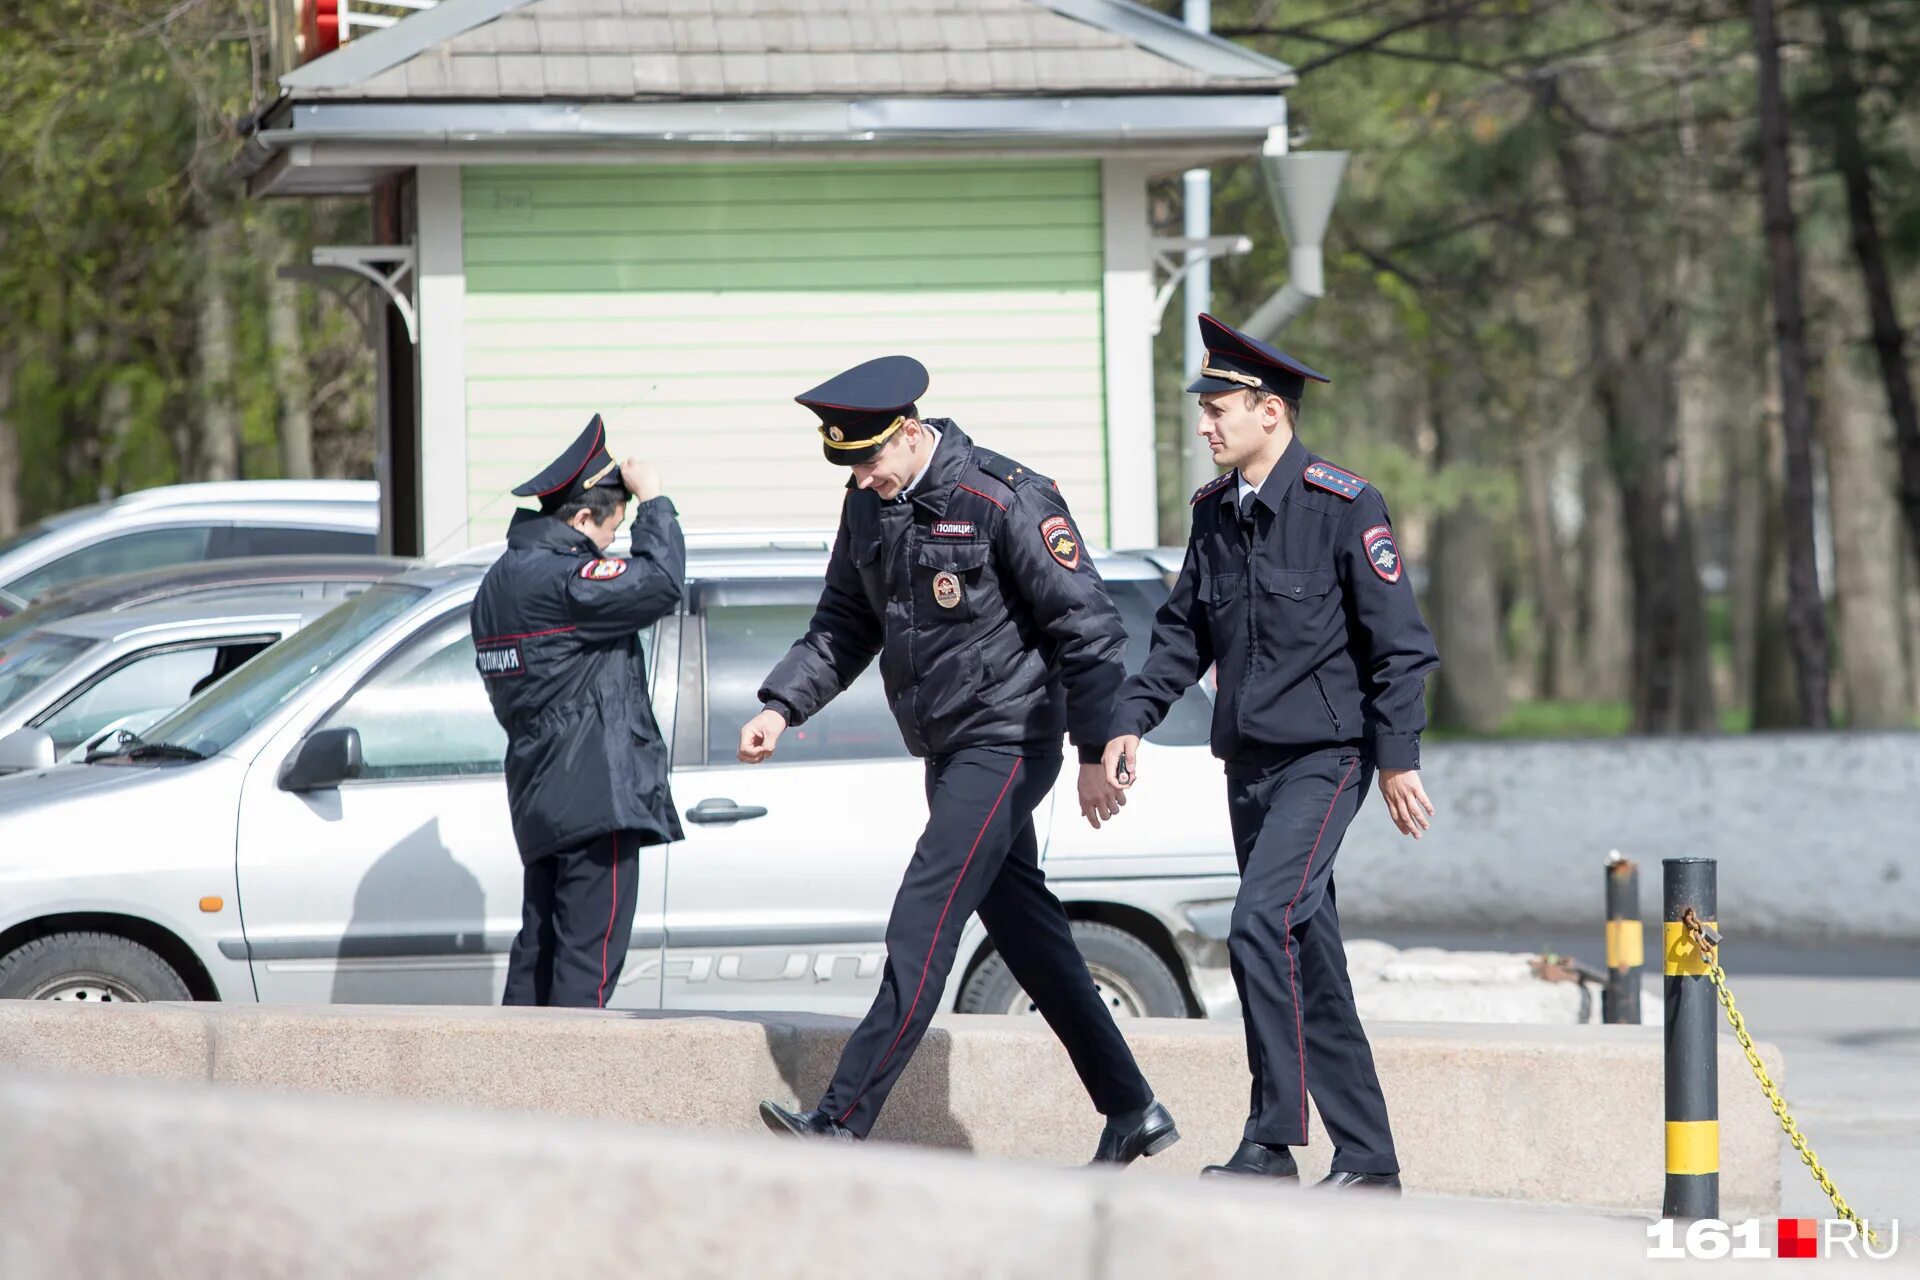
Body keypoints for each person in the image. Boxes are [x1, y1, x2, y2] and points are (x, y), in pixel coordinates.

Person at [740, 355, 1176, 1162]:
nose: (863, 478)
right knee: (1032, 940)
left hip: (1009, 741)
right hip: (946, 745)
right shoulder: (869, 506)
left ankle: (842, 1118)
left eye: (870, 459)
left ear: (909, 435)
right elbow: (843, 622)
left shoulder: (1003, 496)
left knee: (924, 914)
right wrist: (780, 704)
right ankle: (1133, 1108)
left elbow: (1088, 628)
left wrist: (1091, 749)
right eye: (850, 465)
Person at [1103, 315, 1440, 1191]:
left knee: (1259, 920)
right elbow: (1181, 635)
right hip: (1247, 767)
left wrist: (1397, 757)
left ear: (1270, 414)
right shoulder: (1217, 514)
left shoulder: (1344, 504)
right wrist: (1129, 718)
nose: (1204, 425)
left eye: (1217, 409)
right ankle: (1368, 1158)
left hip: (1327, 762)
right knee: (1307, 956)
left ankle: (1271, 1138)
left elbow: (1400, 646)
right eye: (1203, 409)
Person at [471, 414, 686, 1009]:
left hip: (540, 793)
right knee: (584, 971)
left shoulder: (498, 583)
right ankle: (563, 1099)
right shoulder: (566, 581)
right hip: (597, 799)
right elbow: (662, 581)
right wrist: (655, 500)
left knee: (538, 952)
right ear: (584, 517)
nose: (612, 546)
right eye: (611, 532)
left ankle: (513, 1092)